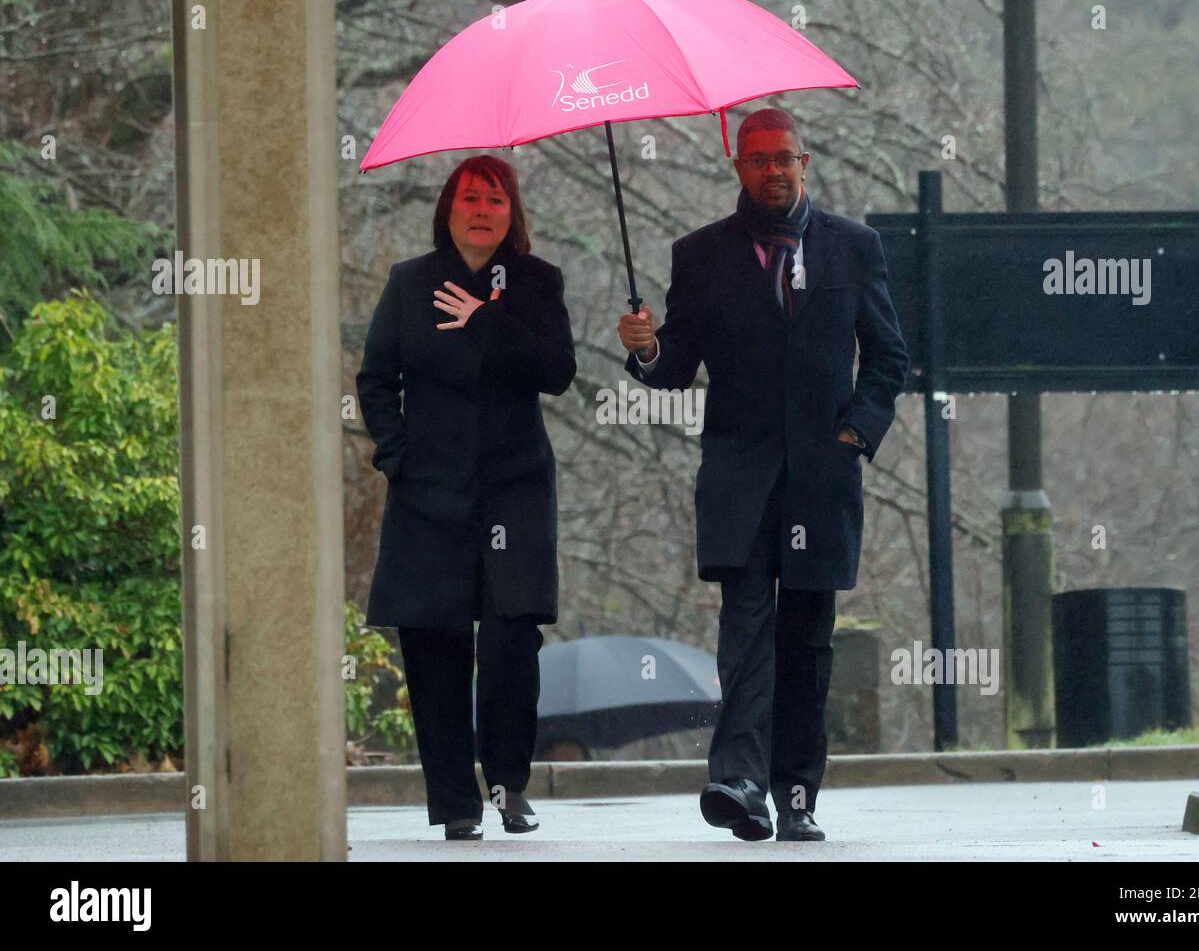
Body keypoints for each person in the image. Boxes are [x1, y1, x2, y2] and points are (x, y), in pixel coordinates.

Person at [617, 107, 909, 841]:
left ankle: (798, 792)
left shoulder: (853, 247)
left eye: (784, 158)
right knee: (745, 623)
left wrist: (853, 433)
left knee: (807, 638)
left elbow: (888, 358)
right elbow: (674, 367)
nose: (772, 170)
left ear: (804, 163)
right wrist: (647, 348)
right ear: (737, 168)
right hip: (739, 477)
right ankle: (739, 779)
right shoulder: (702, 255)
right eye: (757, 160)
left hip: (822, 477)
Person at [357, 154, 576, 840]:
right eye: (470, 198)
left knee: (512, 639)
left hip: (513, 490)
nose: (483, 210)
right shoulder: (409, 283)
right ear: (448, 210)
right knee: (435, 642)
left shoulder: (538, 284)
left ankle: (510, 784)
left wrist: (488, 319)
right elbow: (375, 380)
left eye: (496, 200)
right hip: (430, 492)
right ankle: (455, 800)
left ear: (513, 216)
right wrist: (398, 458)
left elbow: (558, 372)